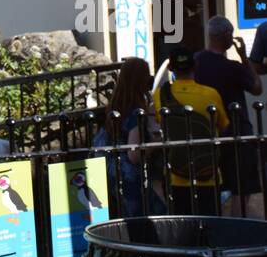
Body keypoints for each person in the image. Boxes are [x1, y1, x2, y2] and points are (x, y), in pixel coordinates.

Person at [195, 15, 262, 214]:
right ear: (227, 36)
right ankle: (237, 230)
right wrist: (243, 57)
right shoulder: (233, 68)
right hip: (236, 132)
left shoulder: (196, 61)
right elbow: (257, 88)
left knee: (210, 185)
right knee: (240, 188)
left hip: (205, 131)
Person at [153, 45, 228, 214]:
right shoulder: (211, 94)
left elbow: (158, 124)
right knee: (210, 226)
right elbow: (223, 125)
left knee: (182, 228)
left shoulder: (160, 96)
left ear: (171, 68)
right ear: (195, 66)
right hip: (208, 174)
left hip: (175, 175)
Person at [93, 57, 166, 217]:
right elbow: (133, 153)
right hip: (130, 178)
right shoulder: (136, 112)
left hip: (113, 174)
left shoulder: (115, 107)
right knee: (153, 221)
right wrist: (157, 144)